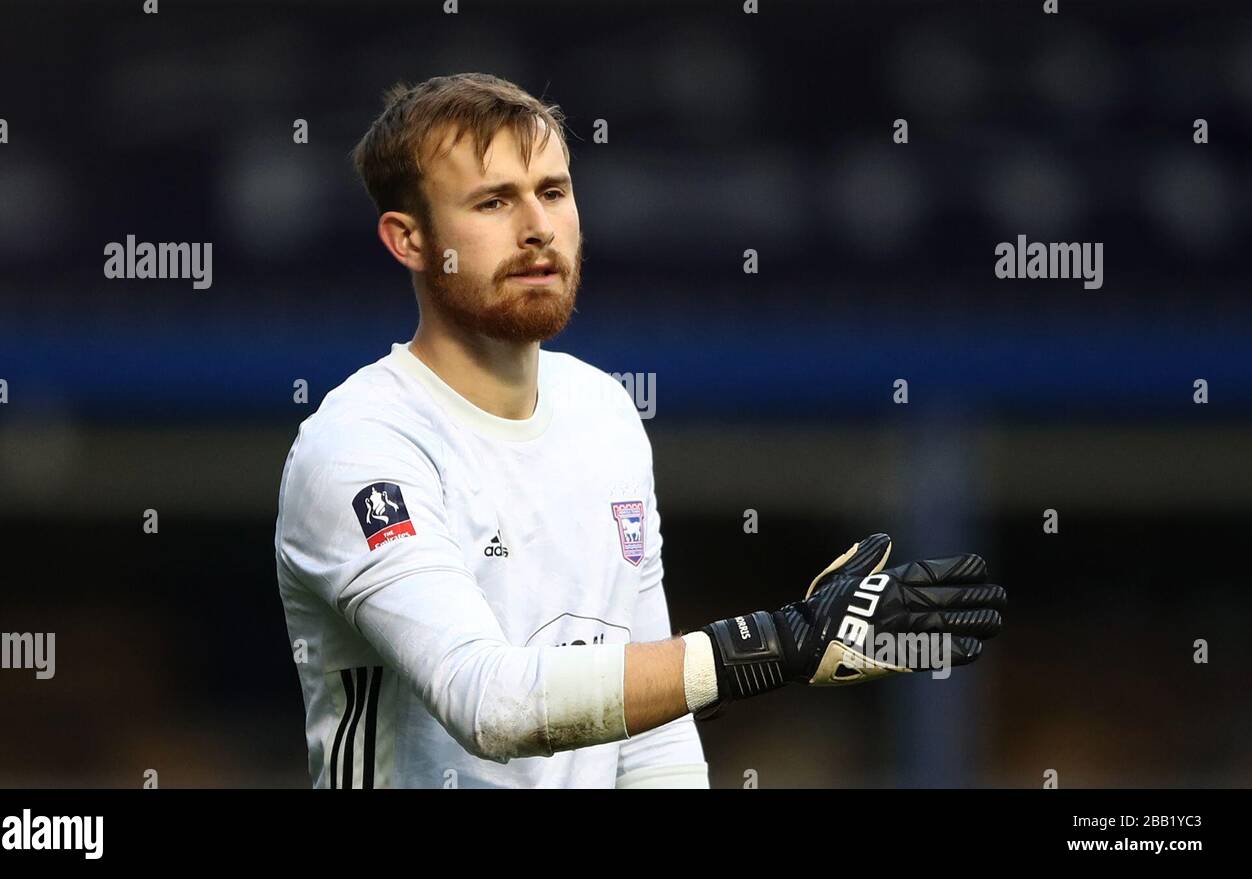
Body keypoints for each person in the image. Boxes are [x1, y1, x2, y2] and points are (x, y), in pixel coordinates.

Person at [275, 72, 1006, 789]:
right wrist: (778, 643)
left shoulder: (603, 411)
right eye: (493, 201)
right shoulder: (360, 445)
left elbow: (652, 741)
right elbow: (488, 702)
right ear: (408, 239)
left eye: (553, 192)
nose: (536, 228)